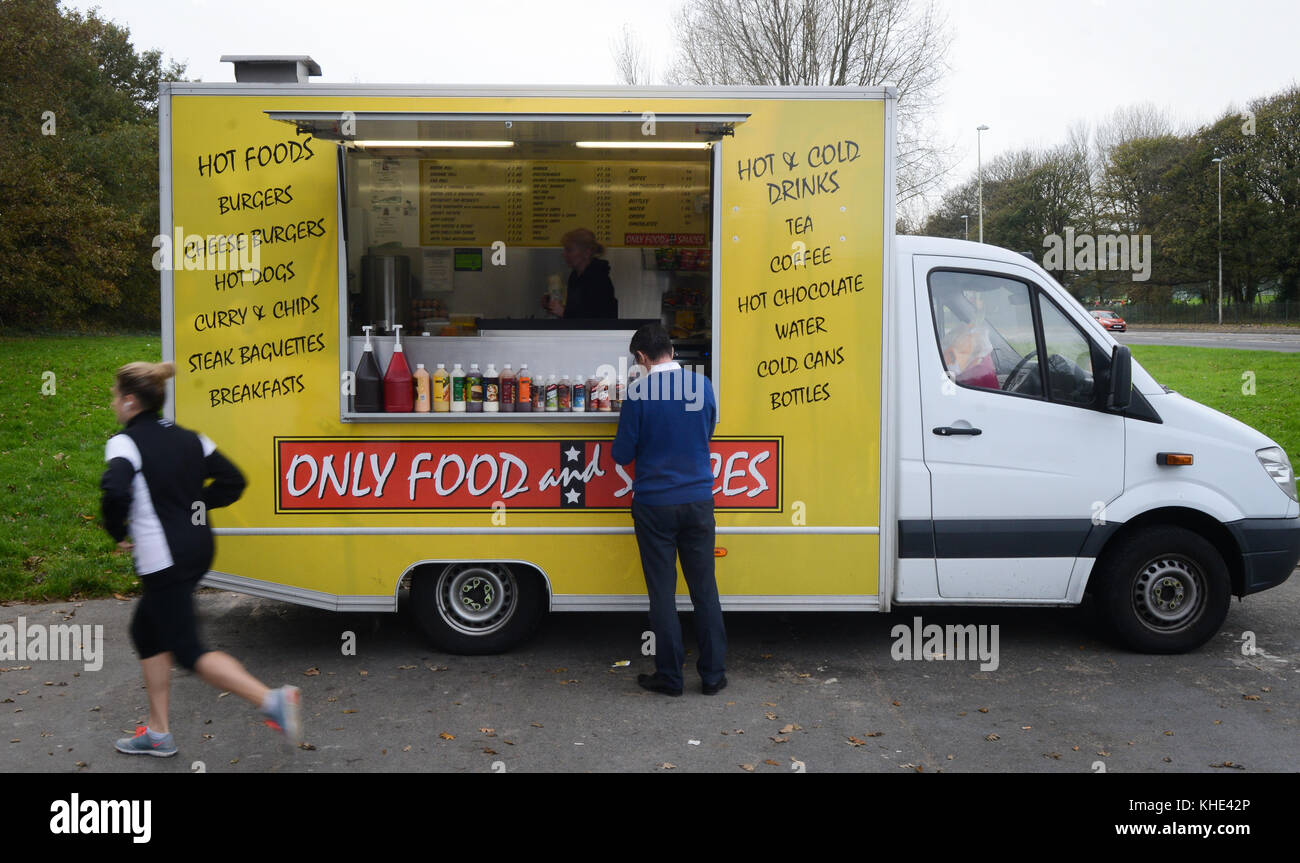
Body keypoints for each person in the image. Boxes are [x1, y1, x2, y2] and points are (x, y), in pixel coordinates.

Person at [100, 361, 301, 756]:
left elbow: (114, 492)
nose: (113, 405)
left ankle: (272, 700)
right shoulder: (192, 438)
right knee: (146, 631)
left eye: (114, 398)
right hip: (197, 548)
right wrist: (195, 502)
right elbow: (234, 480)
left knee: (189, 649)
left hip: (165, 559)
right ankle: (158, 733)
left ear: (128, 401)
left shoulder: (124, 443)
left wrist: (118, 531)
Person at [612, 323, 726, 696]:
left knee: (663, 595)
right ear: (672, 351)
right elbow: (707, 429)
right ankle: (712, 676)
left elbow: (622, 454)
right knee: (705, 592)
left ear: (642, 358)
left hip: (655, 506)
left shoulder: (638, 393)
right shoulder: (701, 385)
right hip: (697, 502)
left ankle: (670, 678)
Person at [541, 227, 618, 319]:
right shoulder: (575, 277)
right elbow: (577, 311)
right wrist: (552, 304)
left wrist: (564, 312)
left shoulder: (599, 280)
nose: (564, 254)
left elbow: (596, 319)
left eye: (569, 250)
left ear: (586, 253)